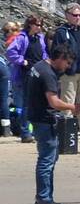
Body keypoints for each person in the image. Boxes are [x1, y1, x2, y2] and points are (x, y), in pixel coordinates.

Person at [27, 43, 76, 204]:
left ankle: (45, 197)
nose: (67, 66)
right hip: (44, 119)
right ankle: (44, 198)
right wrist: (72, 107)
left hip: (37, 117)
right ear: (60, 58)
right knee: (47, 159)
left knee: (49, 157)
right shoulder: (48, 74)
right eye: (67, 62)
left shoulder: (39, 66)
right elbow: (54, 102)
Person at [52, 3, 80, 139]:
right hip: (69, 74)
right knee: (67, 102)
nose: (77, 18)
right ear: (67, 16)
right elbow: (56, 51)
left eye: (79, 15)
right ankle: (66, 130)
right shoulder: (61, 32)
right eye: (74, 15)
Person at [7, 14, 48, 142]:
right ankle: (25, 133)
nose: (39, 27)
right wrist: (22, 61)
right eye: (37, 25)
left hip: (39, 72)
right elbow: (10, 52)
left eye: (41, 25)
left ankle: (36, 131)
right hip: (26, 73)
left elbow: (44, 52)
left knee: (39, 103)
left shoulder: (40, 38)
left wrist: (46, 62)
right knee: (26, 104)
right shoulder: (21, 38)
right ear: (30, 24)